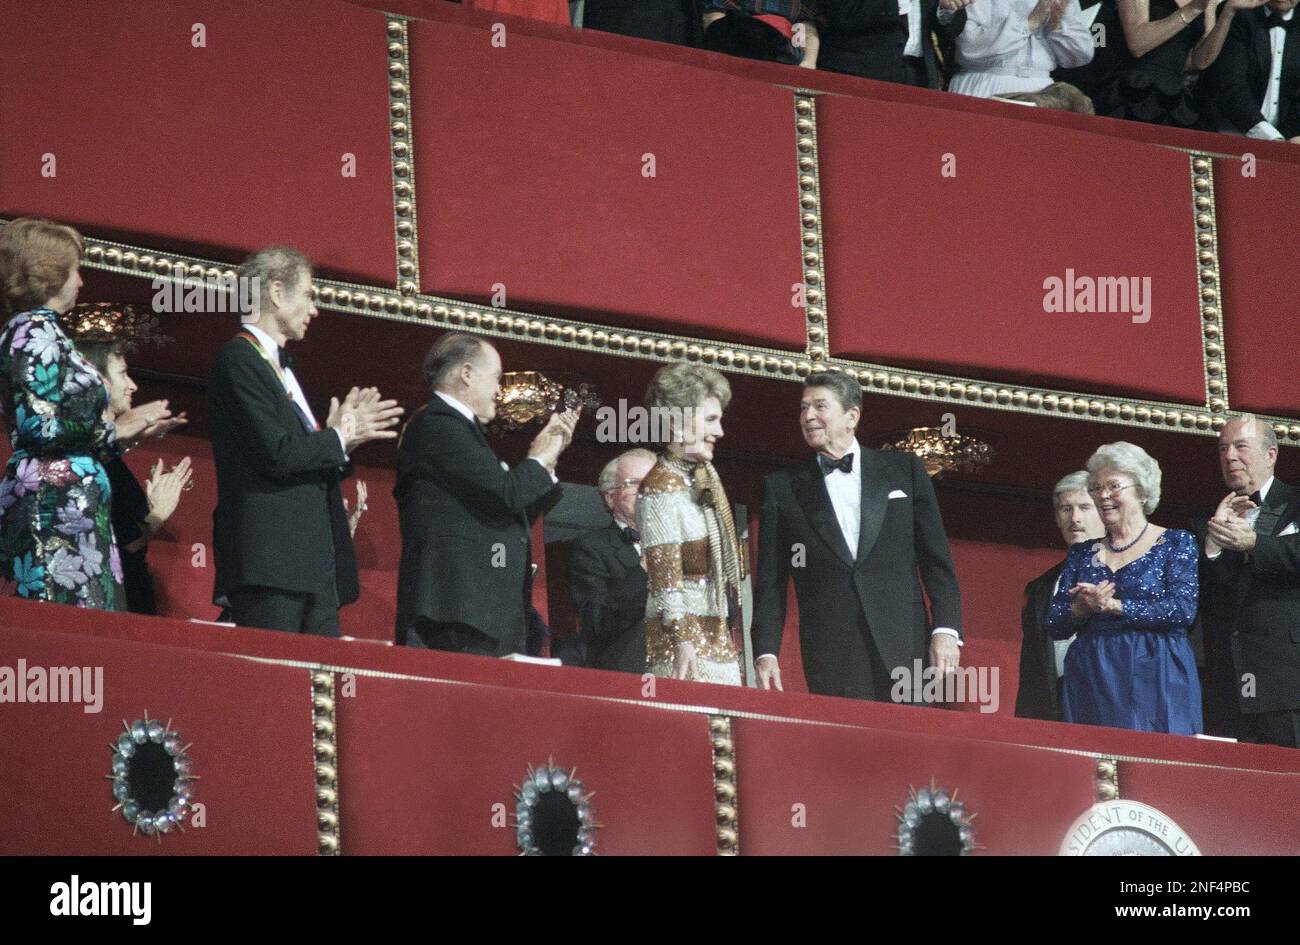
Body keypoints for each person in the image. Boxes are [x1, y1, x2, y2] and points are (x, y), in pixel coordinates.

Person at [208, 246, 403, 635]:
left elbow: (297, 454)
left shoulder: (280, 367)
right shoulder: (239, 360)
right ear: (278, 294)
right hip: (272, 566)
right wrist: (337, 437)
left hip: (313, 569)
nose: (315, 309)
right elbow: (276, 454)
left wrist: (338, 441)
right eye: (309, 295)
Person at [752, 371, 962, 700]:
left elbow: (937, 559)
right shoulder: (781, 488)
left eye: (820, 406)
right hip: (832, 653)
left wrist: (946, 629)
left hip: (906, 644)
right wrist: (766, 652)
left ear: (852, 416)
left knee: (909, 746)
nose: (807, 417)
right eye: (803, 408)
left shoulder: (904, 471)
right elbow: (770, 582)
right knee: (848, 749)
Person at [0, 219, 175, 610]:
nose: (81, 281)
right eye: (76, 270)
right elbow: (38, 425)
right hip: (51, 506)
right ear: (49, 273)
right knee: (59, 624)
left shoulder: (48, 332)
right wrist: (111, 430)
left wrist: (126, 433)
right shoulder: (31, 331)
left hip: (70, 505)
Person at [395, 333, 576, 655]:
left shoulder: (462, 432)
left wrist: (548, 457)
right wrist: (537, 458)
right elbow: (506, 494)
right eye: (496, 378)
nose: (498, 390)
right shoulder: (437, 424)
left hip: (482, 613)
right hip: (455, 610)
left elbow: (507, 512)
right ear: (467, 374)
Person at [1045, 442, 1202, 734]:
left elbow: (1182, 610)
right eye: (1096, 487)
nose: (1103, 495)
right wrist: (1082, 608)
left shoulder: (1176, 543)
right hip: (1093, 672)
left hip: (1156, 670)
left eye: (1113, 486)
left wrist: (1118, 606)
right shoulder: (1082, 553)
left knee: (1154, 765)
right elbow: (1055, 623)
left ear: (1142, 491)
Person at [62, 303, 193, 615]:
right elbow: (122, 544)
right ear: (99, 380)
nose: (132, 385)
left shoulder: (103, 458)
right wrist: (158, 513)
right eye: (122, 373)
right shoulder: (82, 459)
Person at [637, 365, 746, 684]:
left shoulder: (702, 480)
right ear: (678, 423)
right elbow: (664, 581)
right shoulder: (660, 487)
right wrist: (684, 643)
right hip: (683, 651)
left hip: (717, 642)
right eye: (711, 420)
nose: (720, 432)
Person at [1195, 415, 1300, 747]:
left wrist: (1255, 544)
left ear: (1271, 454)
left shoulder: (1295, 503)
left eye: (1240, 446)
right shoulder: (1209, 523)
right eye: (1223, 449)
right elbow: (1206, 601)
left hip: (1290, 682)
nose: (1229, 457)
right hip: (1232, 686)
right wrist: (1213, 548)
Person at [1095, 0, 1269, 128]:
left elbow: (1199, 61)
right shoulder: (1199, 4)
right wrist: (1194, 8)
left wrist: (1228, 12)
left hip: (1174, 99)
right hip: (1130, 90)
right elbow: (1138, 44)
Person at [1016, 471, 1104, 721]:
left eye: (1085, 507)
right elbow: (1032, 672)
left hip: (1111, 706)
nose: (1075, 518)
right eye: (1066, 509)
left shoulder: (1130, 573)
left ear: (1105, 513)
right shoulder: (1040, 588)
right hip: (1054, 711)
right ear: (1057, 517)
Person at [562, 448, 657, 673]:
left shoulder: (685, 541)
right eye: (634, 483)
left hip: (691, 675)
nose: (646, 490)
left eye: (654, 481)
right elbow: (597, 622)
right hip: (634, 677)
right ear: (610, 497)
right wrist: (644, 569)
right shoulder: (592, 547)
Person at [936, 0, 1095, 99]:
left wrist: (1057, 24)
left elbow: (1081, 55)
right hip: (983, 85)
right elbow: (970, 48)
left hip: (1042, 90)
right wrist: (1030, 23)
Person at [1196, 0, 1300, 141]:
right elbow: (1230, 85)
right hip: (1225, 132)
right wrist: (1271, 137)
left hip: (1285, 141)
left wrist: (1291, 137)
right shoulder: (1238, 13)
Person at [818, 0, 944, 87]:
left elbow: (948, 33)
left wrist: (945, 9)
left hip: (918, 77)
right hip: (858, 72)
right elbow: (842, 13)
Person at [702, 0, 822, 66]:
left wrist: (808, 62)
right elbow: (715, 19)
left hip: (784, 52)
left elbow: (805, 29)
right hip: (740, 40)